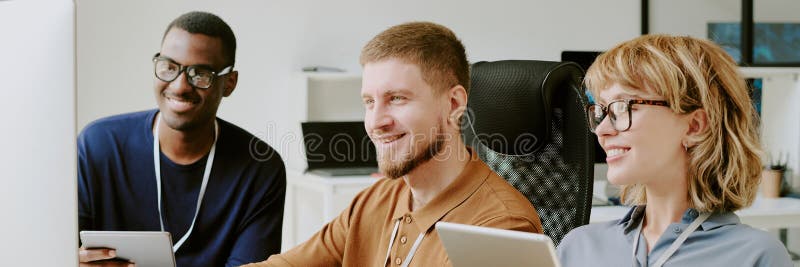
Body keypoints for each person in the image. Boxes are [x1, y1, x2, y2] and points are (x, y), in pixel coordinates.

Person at [244, 21, 542, 267]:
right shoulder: (376, 200)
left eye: (396, 98)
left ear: (454, 104)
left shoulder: (503, 228)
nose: (375, 122)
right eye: (369, 102)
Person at [557, 35, 793, 266]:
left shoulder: (757, 256)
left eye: (623, 107)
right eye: (601, 111)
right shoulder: (578, 247)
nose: (602, 130)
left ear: (694, 126)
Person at [77, 11, 286, 267]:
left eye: (200, 74)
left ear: (229, 83)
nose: (180, 86)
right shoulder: (99, 146)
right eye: (169, 67)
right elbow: (54, 250)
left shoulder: (260, 168)